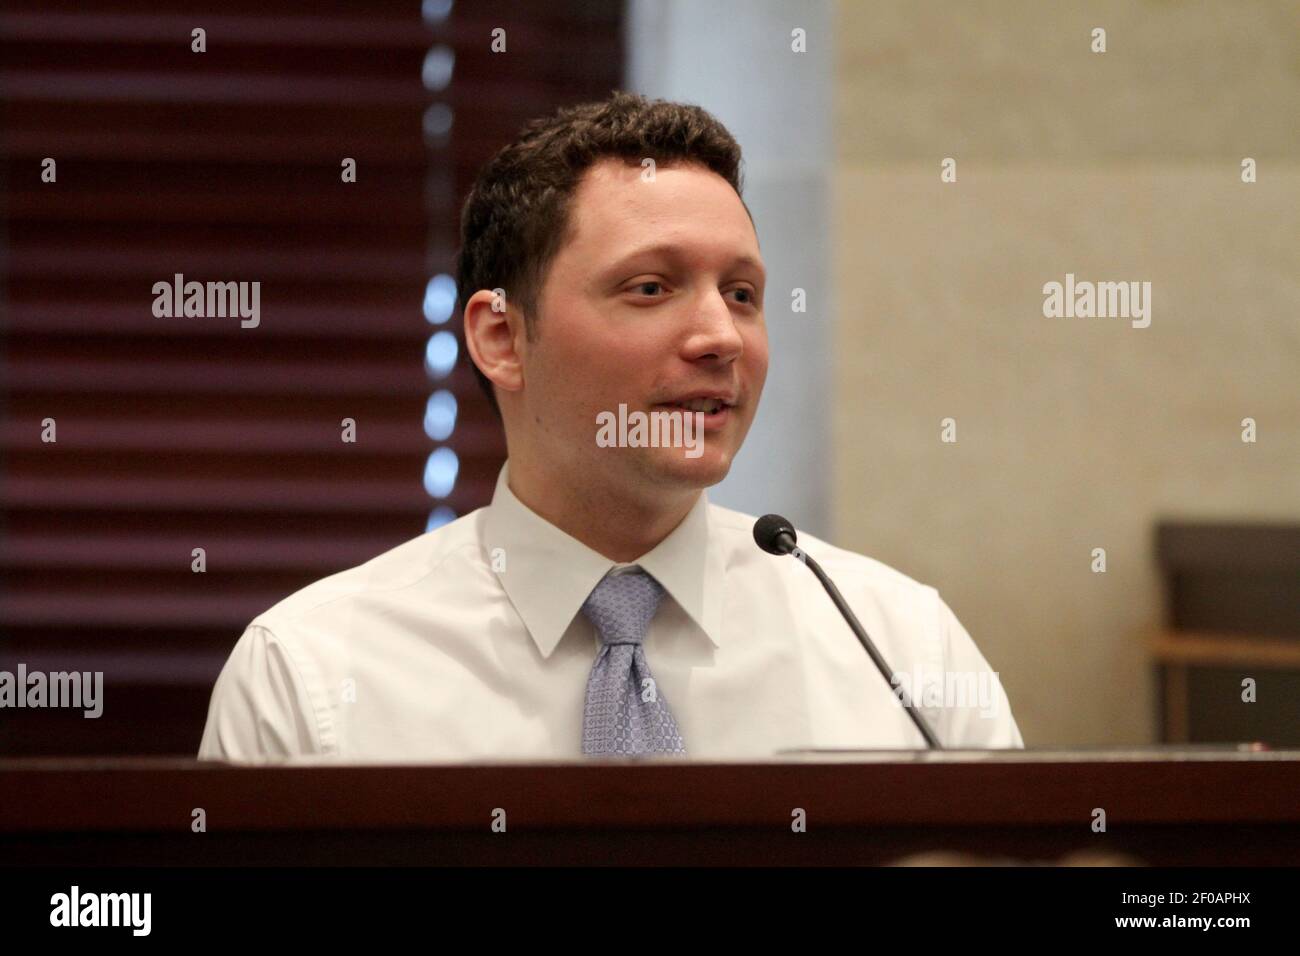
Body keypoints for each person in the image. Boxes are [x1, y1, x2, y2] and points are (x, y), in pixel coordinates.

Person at [199, 92, 1023, 762]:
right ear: (502, 338)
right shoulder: (310, 676)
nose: (722, 337)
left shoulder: (902, 650)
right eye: (651, 288)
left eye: (741, 294)